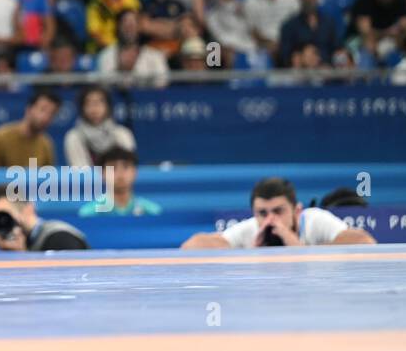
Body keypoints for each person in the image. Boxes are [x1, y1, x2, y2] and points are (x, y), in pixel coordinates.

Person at [182, 177, 375, 248]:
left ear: (297, 211)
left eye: (278, 211)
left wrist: (301, 250)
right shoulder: (251, 229)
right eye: (262, 213)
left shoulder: (316, 220)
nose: (270, 219)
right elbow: (192, 246)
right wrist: (250, 256)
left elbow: (365, 241)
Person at [0, 185, 89, 252]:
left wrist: (22, 257)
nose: (2, 223)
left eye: (5, 215)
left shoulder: (60, 238)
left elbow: (70, 286)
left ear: (29, 209)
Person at [62, 86, 136, 169]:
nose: (94, 108)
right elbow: (81, 174)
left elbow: (128, 169)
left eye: (99, 102)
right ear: (82, 108)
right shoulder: (74, 137)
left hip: (117, 181)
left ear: (108, 106)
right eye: (89, 103)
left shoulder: (122, 134)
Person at [0, 90, 60, 168]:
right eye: (42, 110)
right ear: (28, 109)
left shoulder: (46, 144)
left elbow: (50, 177)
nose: (46, 117)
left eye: (52, 113)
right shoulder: (0, 137)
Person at [78, 147, 161, 216]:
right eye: (113, 168)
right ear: (102, 173)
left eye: (126, 167)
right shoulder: (88, 214)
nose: (120, 174)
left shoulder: (152, 212)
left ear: (134, 172)